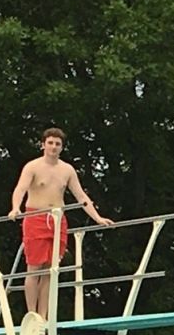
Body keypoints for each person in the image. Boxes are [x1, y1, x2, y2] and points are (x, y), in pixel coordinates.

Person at [8, 126, 114, 322]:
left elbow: (81, 196)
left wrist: (97, 218)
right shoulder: (32, 166)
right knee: (34, 268)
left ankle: (43, 316)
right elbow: (20, 189)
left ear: (62, 147)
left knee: (51, 269)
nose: (54, 147)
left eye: (57, 144)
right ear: (43, 145)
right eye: (50, 143)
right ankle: (31, 314)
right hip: (36, 217)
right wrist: (15, 208)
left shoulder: (67, 170)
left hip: (58, 220)